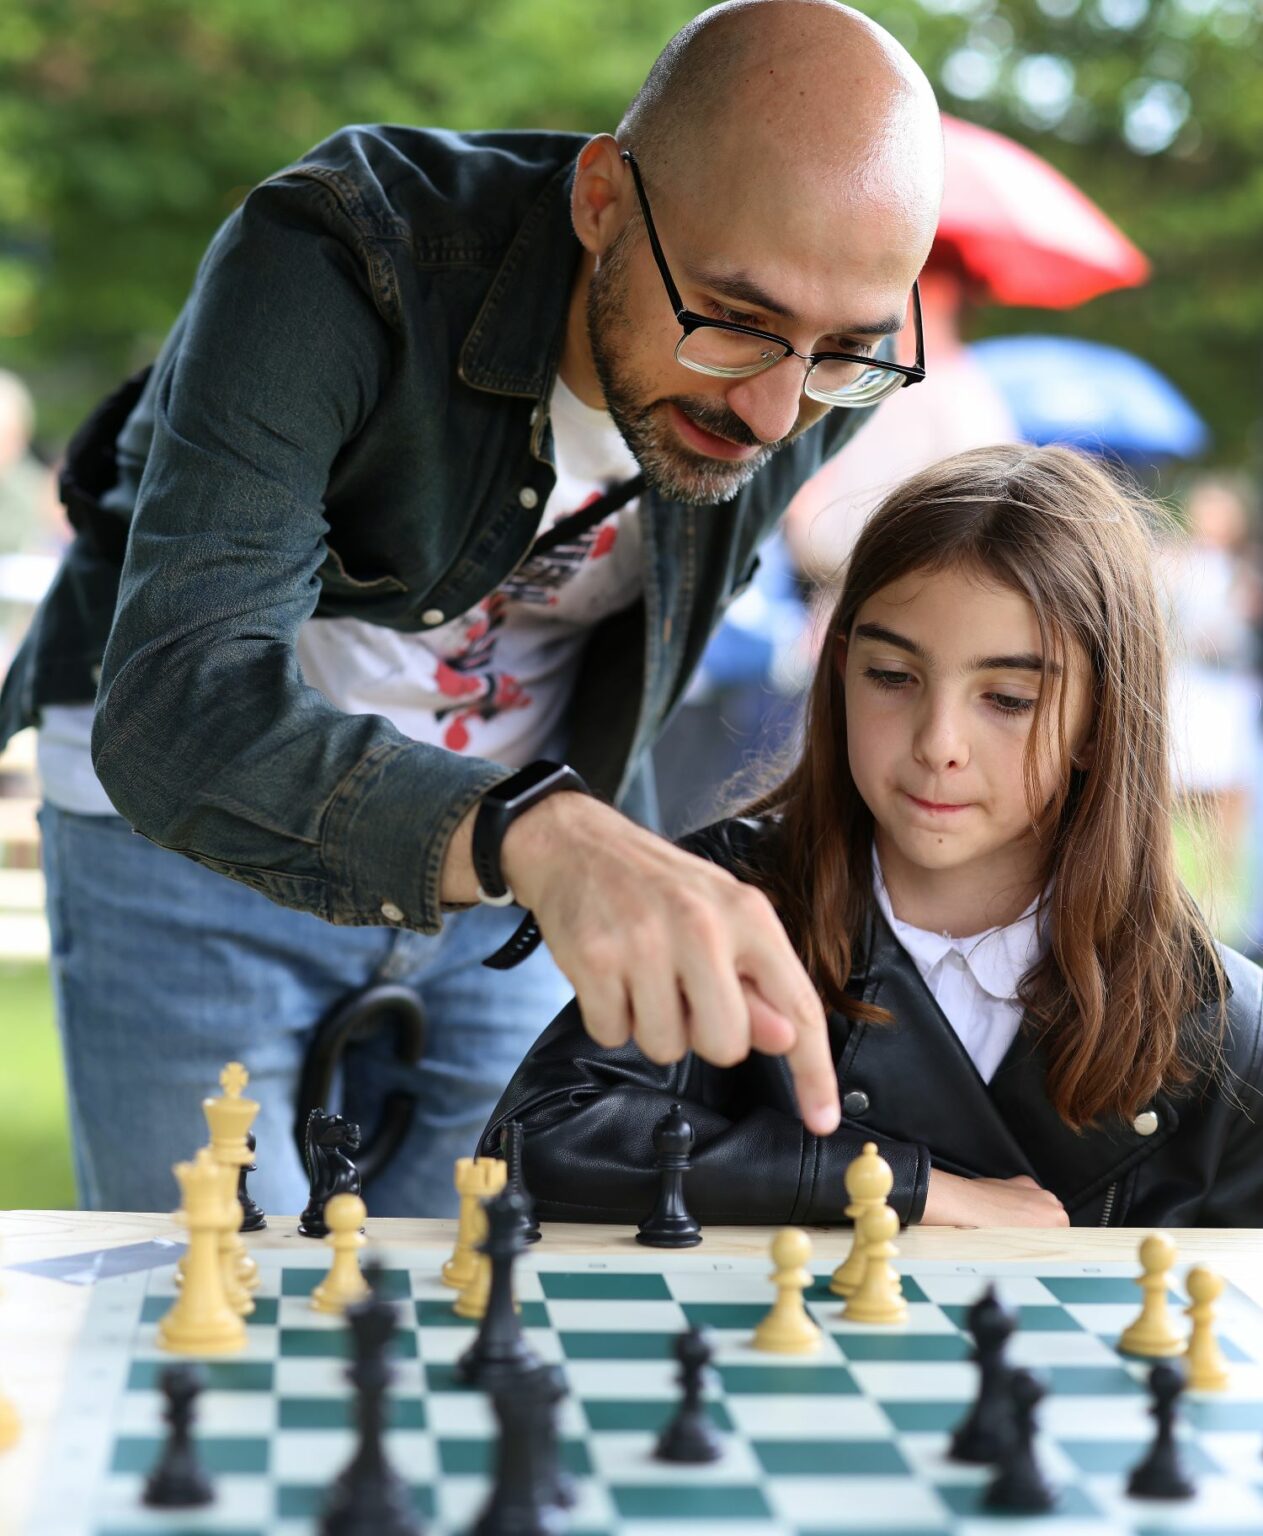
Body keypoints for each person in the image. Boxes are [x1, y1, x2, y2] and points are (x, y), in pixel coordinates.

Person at [0, 0, 944, 1213]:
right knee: (228, 1298)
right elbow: (179, 711)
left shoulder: (818, 378)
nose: (775, 412)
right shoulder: (344, 255)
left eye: (846, 350)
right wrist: (540, 832)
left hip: (520, 892)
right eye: (734, 321)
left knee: (485, 1286)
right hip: (194, 842)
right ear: (601, 199)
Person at [481, 444, 1263, 1229]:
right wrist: (900, 1186)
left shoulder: (1221, 1020)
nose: (938, 742)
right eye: (892, 676)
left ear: (1100, 718)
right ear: (839, 668)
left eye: (1007, 698)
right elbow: (537, 1141)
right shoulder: (719, 902)